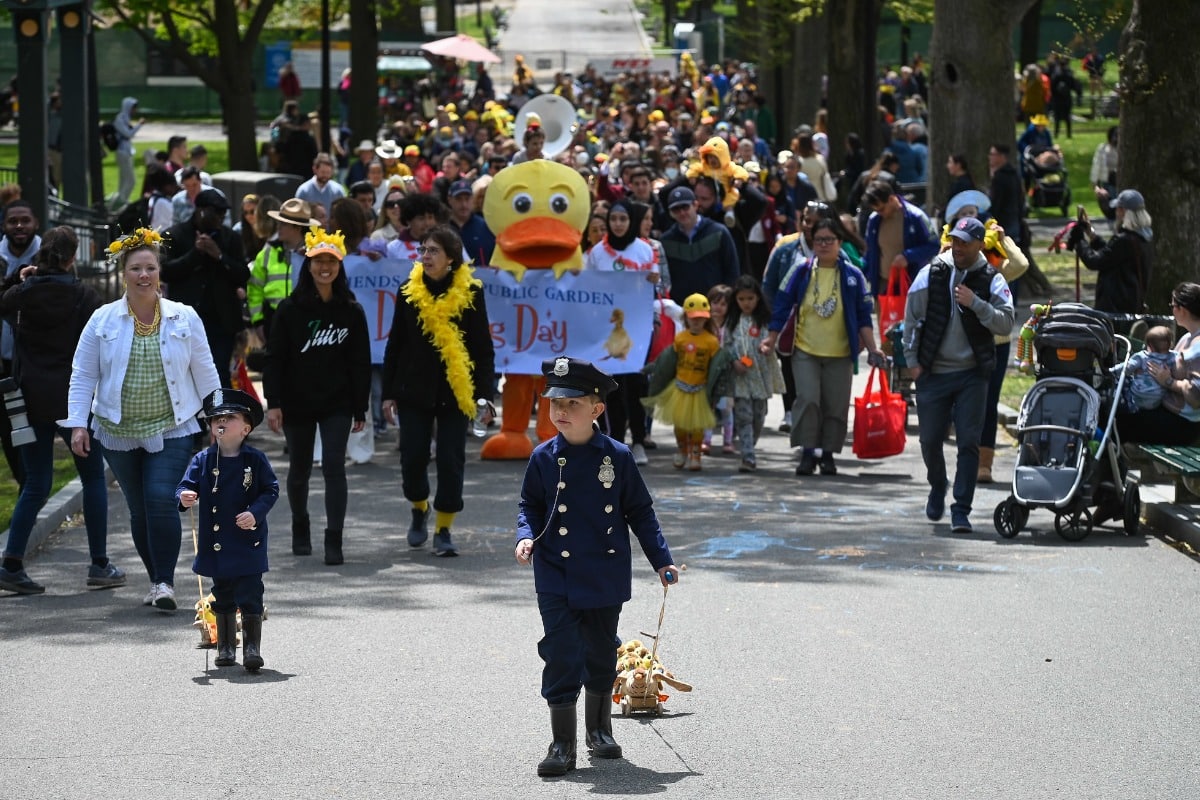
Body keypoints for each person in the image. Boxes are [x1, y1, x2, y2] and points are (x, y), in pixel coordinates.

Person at [514, 356, 678, 778]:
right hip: (556, 570)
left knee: (601, 650)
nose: (561, 413)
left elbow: (640, 512)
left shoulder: (618, 457)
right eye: (554, 404)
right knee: (562, 651)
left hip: (604, 572)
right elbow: (529, 505)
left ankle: (599, 730)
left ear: (597, 410)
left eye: (571, 404)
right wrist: (525, 536)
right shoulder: (543, 457)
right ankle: (562, 742)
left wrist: (662, 560)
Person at [64, 228, 221, 610]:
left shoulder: (184, 317)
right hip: (117, 430)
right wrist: (77, 423)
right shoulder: (103, 320)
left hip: (173, 426)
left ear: (159, 272)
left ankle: (165, 583)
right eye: (136, 268)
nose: (144, 275)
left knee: (161, 499)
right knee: (139, 509)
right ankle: (156, 580)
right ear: (124, 274)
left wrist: (219, 419)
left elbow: (205, 370)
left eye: (150, 267)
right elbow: (83, 374)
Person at [0, 227, 118, 595]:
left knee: (36, 483)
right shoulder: (85, 296)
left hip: (31, 396)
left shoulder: (21, 295)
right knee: (92, 478)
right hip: (75, 399)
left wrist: (20, 278)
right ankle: (99, 563)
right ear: (72, 258)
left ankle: (11, 563)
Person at [382, 224, 495, 558]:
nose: (425, 256)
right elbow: (395, 345)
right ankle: (419, 507)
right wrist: (388, 392)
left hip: (455, 391)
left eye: (433, 251)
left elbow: (482, 348)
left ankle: (444, 529)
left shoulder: (471, 293)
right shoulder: (407, 291)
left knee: (450, 460)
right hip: (413, 389)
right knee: (413, 458)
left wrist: (484, 395)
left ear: (450, 259)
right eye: (423, 250)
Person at [263, 227, 371, 565]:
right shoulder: (290, 309)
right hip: (297, 401)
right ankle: (300, 526)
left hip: (337, 402)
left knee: (334, 467)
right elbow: (275, 359)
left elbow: (360, 362)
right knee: (299, 469)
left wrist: (359, 406)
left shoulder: (351, 311)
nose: (325, 267)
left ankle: (334, 540)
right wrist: (274, 402)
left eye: (331, 261)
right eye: (318, 261)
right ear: (308, 265)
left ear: (339, 266)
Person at [902, 217, 1015, 533]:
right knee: (929, 441)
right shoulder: (932, 272)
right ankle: (938, 484)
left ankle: (961, 509)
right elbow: (910, 319)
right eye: (955, 239)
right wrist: (912, 360)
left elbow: (1006, 324)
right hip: (933, 373)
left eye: (966, 241)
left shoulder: (991, 278)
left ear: (981, 243)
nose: (958, 246)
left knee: (968, 442)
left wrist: (976, 303)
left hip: (971, 375)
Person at [761, 218, 883, 476]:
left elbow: (863, 316)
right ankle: (807, 452)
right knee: (807, 400)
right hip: (805, 350)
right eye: (819, 240)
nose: (824, 245)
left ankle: (827, 454)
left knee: (835, 406)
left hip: (840, 353)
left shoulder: (853, 276)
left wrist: (873, 348)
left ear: (840, 242)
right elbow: (782, 305)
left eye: (830, 240)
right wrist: (771, 338)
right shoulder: (800, 271)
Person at [177, 388, 278, 671]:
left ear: (245, 428)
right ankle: (224, 646)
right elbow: (186, 485)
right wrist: (184, 497)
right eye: (215, 418)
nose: (221, 422)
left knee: (250, 593)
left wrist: (255, 513)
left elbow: (270, 490)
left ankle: (252, 648)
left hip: (248, 541)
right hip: (217, 541)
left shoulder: (255, 460)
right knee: (222, 594)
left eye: (230, 417)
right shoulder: (202, 460)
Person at [584, 201, 659, 465]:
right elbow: (589, 287)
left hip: (637, 328)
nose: (617, 224)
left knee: (636, 384)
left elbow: (655, 282)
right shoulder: (597, 253)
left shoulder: (644, 249)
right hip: (608, 329)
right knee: (612, 386)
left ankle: (639, 440)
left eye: (623, 219)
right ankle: (614, 440)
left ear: (631, 221)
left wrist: (653, 279)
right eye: (613, 219)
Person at [161, 189, 249, 388]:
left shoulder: (230, 238)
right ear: (200, 211)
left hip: (221, 320)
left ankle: (220, 417)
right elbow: (165, 272)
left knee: (219, 375)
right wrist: (195, 253)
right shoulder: (174, 235)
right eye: (215, 213)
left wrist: (219, 256)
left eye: (223, 214)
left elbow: (242, 274)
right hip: (185, 321)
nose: (220, 218)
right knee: (186, 376)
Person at [644, 293, 731, 471]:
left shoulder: (711, 342)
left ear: (706, 319)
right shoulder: (680, 338)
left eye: (701, 318)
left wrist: (716, 390)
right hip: (680, 389)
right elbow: (668, 362)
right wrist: (653, 369)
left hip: (700, 389)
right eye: (693, 318)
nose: (697, 322)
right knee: (680, 426)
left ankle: (696, 454)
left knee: (697, 426)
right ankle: (683, 450)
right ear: (686, 318)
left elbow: (717, 368)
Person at [1115, 282, 1200, 446]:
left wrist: (1168, 381)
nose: (1172, 309)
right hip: (1166, 411)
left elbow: (1196, 395)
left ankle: (1110, 467)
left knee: (1113, 420)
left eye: (1173, 305)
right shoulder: (1187, 338)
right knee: (1112, 411)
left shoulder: (1196, 347)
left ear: (1182, 309)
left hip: (1182, 424)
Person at [723, 274, 783, 472]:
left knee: (759, 415)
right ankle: (748, 456)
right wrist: (734, 361)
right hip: (740, 377)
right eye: (741, 299)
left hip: (760, 374)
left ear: (758, 298)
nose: (746, 303)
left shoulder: (765, 320)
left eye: (750, 298)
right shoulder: (732, 322)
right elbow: (727, 345)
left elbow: (773, 339)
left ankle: (750, 445)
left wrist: (768, 348)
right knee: (744, 417)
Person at [1069, 189, 1153, 313]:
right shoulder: (1143, 237)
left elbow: (1095, 261)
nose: (1116, 213)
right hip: (1131, 302)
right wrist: (1092, 235)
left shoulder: (1124, 239)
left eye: (1118, 209)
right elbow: (1111, 255)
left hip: (1116, 306)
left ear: (1124, 212)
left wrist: (1080, 241)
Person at [248, 197, 319, 336]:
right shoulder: (267, 252)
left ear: (297, 228)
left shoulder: (316, 253)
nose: (278, 227)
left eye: (283, 224)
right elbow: (254, 289)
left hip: (308, 320)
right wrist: (258, 322)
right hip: (274, 321)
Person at [658, 186, 740, 301]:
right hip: (681, 309)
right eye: (676, 209)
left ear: (695, 205)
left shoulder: (719, 232)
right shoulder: (665, 241)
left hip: (715, 305)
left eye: (685, 207)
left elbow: (732, 270)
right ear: (671, 213)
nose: (682, 212)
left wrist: (726, 300)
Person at [861, 179, 939, 298]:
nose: (879, 213)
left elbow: (933, 246)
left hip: (911, 285)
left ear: (892, 199)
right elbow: (870, 252)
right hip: (883, 286)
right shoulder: (874, 220)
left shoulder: (916, 217)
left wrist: (907, 256)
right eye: (876, 210)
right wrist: (867, 274)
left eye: (882, 209)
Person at [1114, 326, 1177, 414]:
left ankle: (1129, 405)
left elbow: (1126, 368)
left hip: (1138, 395)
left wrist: (1112, 370)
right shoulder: (1173, 357)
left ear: (1149, 346)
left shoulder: (1142, 357)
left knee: (1121, 381)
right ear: (1170, 344)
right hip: (1157, 399)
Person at [447, 179, 495, 266]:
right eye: (459, 199)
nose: (464, 204)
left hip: (482, 278)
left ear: (472, 198)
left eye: (467, 199)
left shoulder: (485, 226)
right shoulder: (442, 228)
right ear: (449, 200)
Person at [112, 97, 144, 205]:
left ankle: (120, 200)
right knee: (131, 180)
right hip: (122, 152)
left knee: (123, 180)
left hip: (127, 151)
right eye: (133, 108)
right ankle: (123, 201)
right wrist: (139, 125)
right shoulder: (120, 119)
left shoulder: (125, 118)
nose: (135, 110)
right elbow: (128, 134)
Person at [295, 153, 347, 218]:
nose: (325, 175)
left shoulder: (338, 190)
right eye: (322, 172)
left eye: (328, 173)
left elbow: (344, 214)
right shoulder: (304, 190)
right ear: (315, 169)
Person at [1089, 127, 1119, 223]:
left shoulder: (1124, 149)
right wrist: (1095, 186)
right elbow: (1096, 167)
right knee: (1111, 210)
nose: (1117, 138)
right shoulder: (1103, 149)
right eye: (1115, 135)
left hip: (1120, 182)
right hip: (1108, 183)